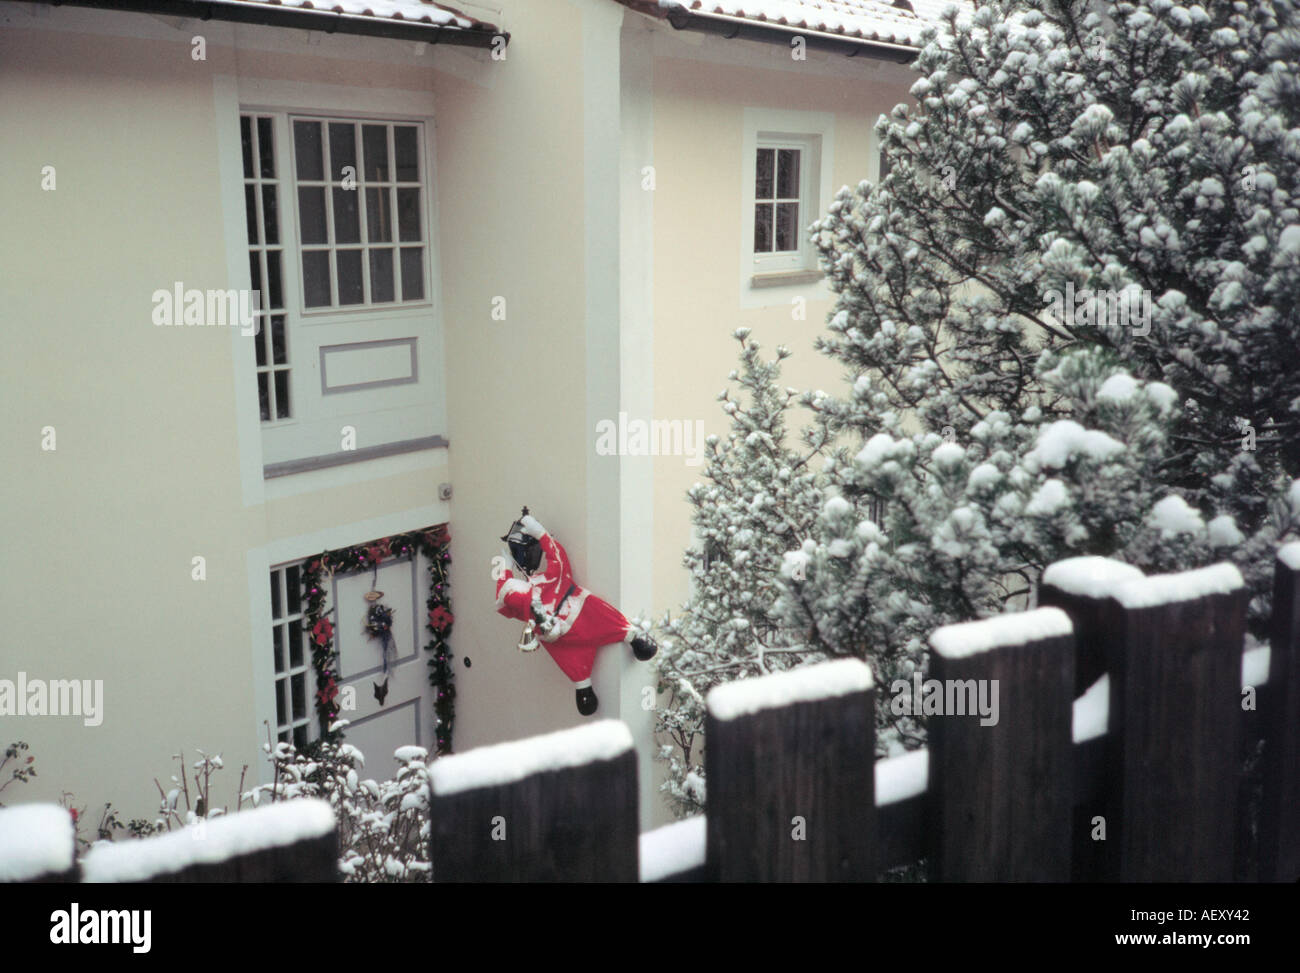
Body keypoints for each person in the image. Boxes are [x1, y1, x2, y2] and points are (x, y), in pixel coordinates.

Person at [494, 509, 656, 715]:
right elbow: (556, 559)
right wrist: (540, 535)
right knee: (599, 624)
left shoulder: (529, 593)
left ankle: (588, 685)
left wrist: (505, 571)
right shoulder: (542, 584)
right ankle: (631, 642)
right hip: (575, 622)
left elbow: (504, 601)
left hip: (569, 630)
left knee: (587, 640)